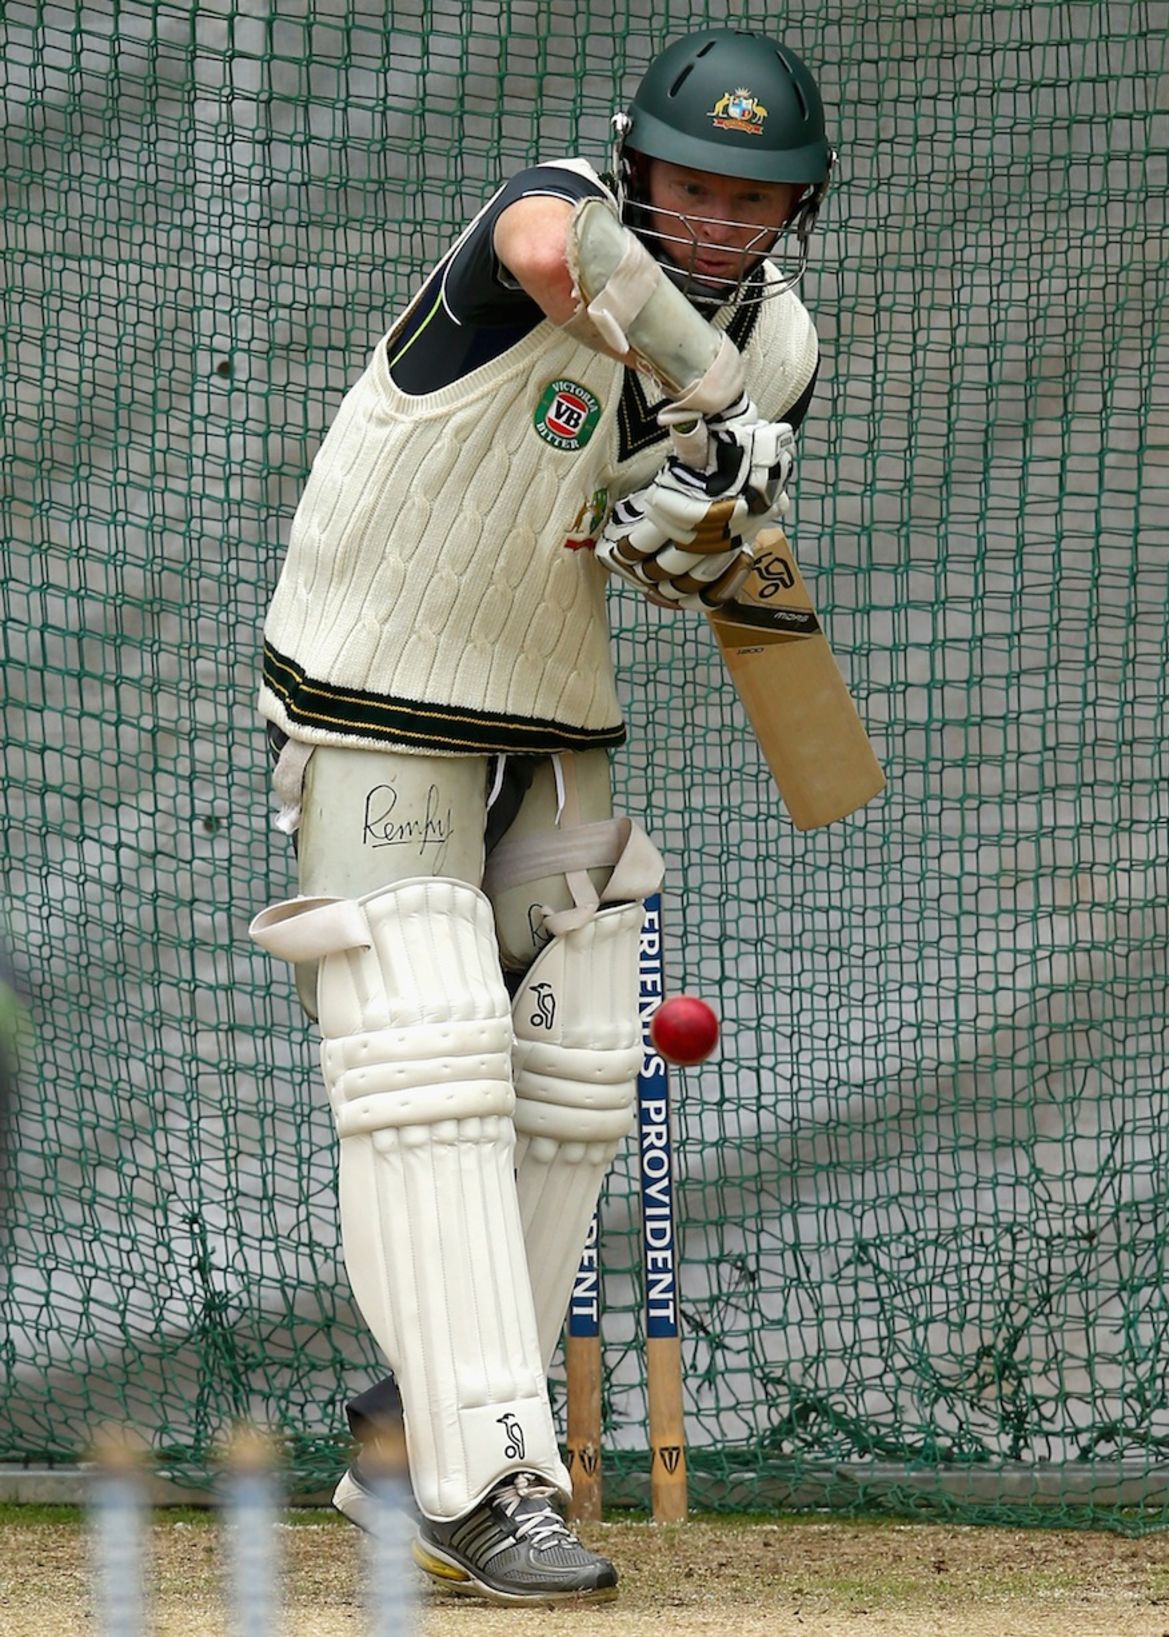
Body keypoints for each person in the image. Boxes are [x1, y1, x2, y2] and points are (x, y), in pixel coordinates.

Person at [249, 27, 833, 1606]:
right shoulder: (558, 218)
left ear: (796, 211)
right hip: (374, 680)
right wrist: (699, 383)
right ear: (640, 164)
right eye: (690, 185)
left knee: (576, 1069)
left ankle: (406, 1427)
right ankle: (481, 1476)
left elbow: (662, 554)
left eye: (751, 199)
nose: (716, 221)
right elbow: (546, 247)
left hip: (551, 701)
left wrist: (708, 516)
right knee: (427, 1054)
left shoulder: (783, 345)